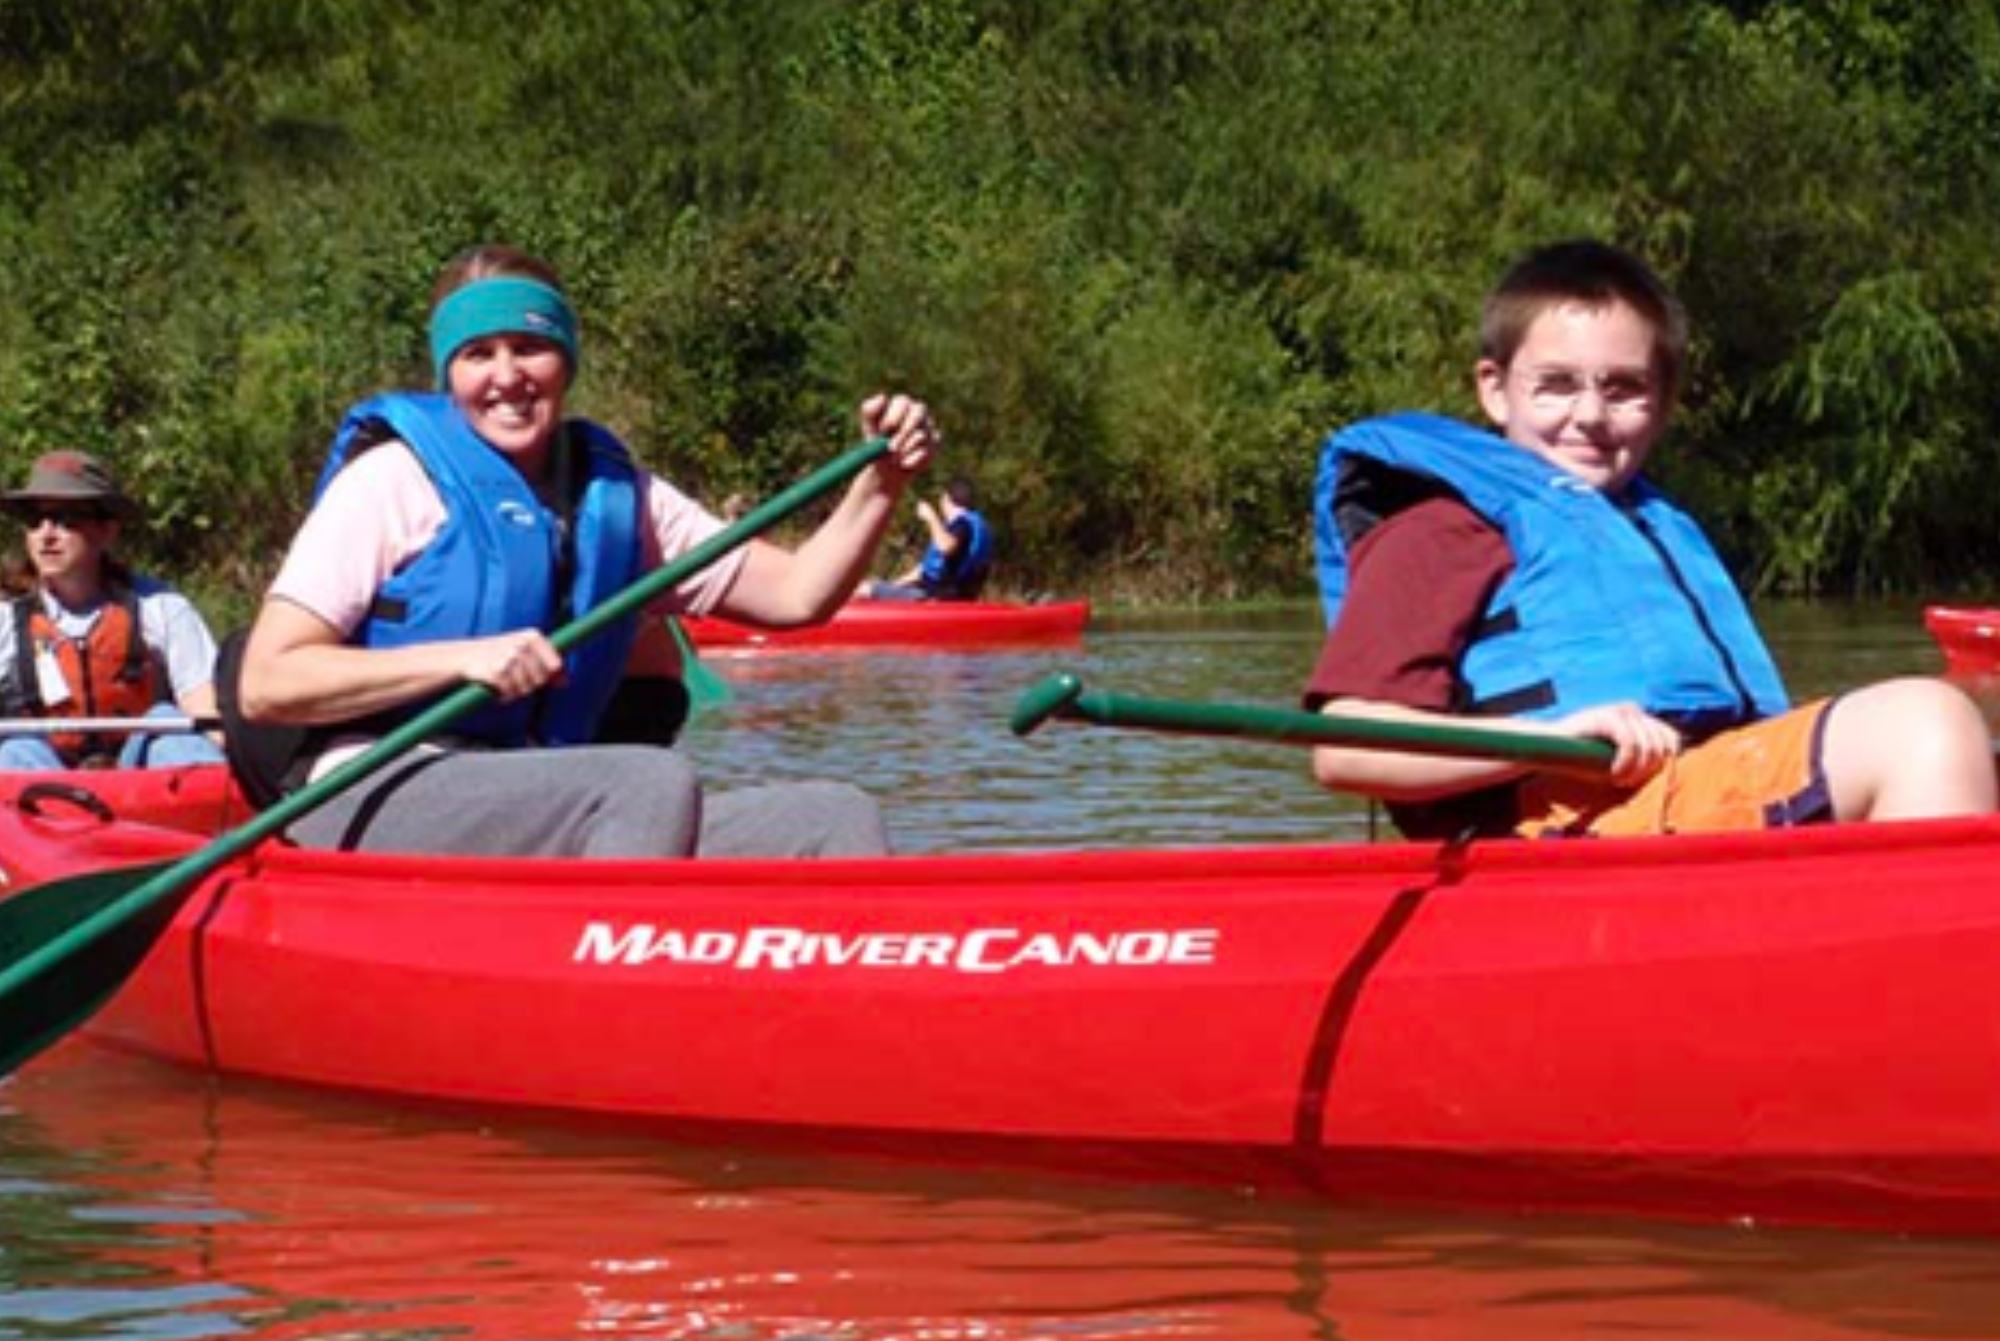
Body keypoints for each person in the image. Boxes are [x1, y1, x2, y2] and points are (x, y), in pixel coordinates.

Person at [227, 242, 940, 858]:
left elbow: (798, 594)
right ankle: (618, 994)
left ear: (564, 361)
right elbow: (268, 681)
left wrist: (882, 481)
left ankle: (862, 1006)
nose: (507, 375)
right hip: (371, 785)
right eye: (479, 354)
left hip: (544, 791)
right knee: (645, 779)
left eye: (529, 347)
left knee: (830, 816)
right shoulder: (391, 480)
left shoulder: (620, 494)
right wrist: (463, 658)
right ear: (450, 374)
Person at [1305, 239, 1995, 840]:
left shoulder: (1652, 524)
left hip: (1691, 795)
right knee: (1922, 723)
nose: (1589, 415)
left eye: (1624, 389)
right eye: (1555, 386)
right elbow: (1345, 748)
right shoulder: (1440, 530)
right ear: (1495, 390)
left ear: (1664, 399)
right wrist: (1552, 740)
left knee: (1973, 744)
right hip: (1564, 827)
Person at [0, 450, 225, 771]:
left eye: (67, 519)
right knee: (14, 750)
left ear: (107, 530)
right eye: (35, 521)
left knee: (167, 723)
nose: (47, 534)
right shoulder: (6, 620)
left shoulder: (161, 608)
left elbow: (208, 714)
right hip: (46, 789)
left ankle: (221, 811)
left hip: (138, 787)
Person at [862, 475, 992, 601]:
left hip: (936, 598)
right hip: (945, 596)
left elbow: (946, 546)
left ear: (945, 499)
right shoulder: (975, 524)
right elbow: (924, 571)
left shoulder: (962, 525)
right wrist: (893, 585)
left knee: (862, 589)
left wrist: (930, 517)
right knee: (879, 588)